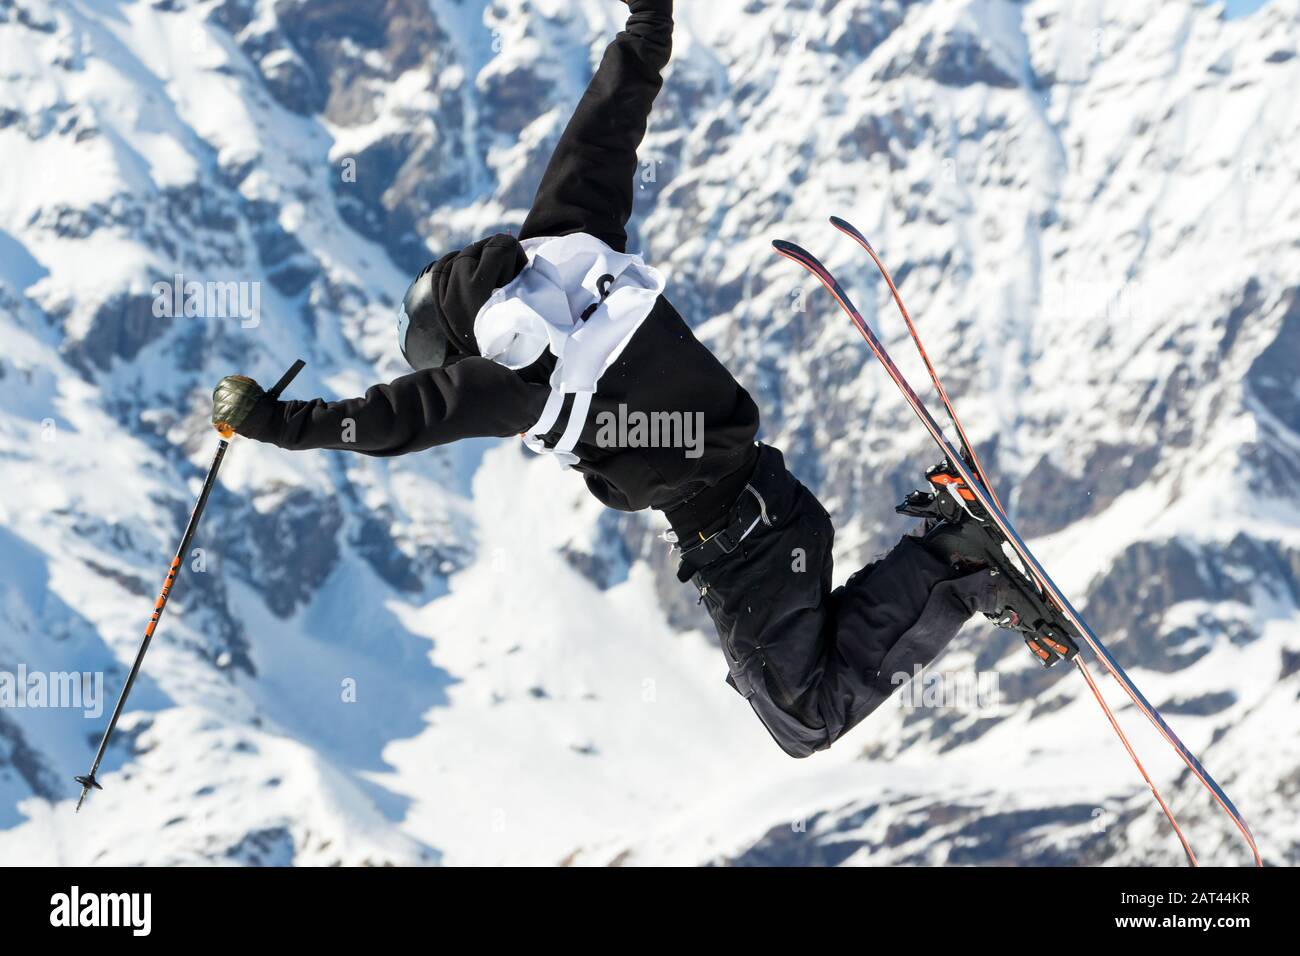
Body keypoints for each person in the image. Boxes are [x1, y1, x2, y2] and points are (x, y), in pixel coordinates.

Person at [211, 0, 1014, 758]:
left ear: (452, 346)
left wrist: (277, 423)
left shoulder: (514, 373)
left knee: (804, 718)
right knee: (797, 678)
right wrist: (647, 25)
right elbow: (604, 130)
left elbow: (395, 419)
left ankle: (957, 561)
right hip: (768, 501)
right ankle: (948, 563)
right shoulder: (565, 237)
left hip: (742, 537)